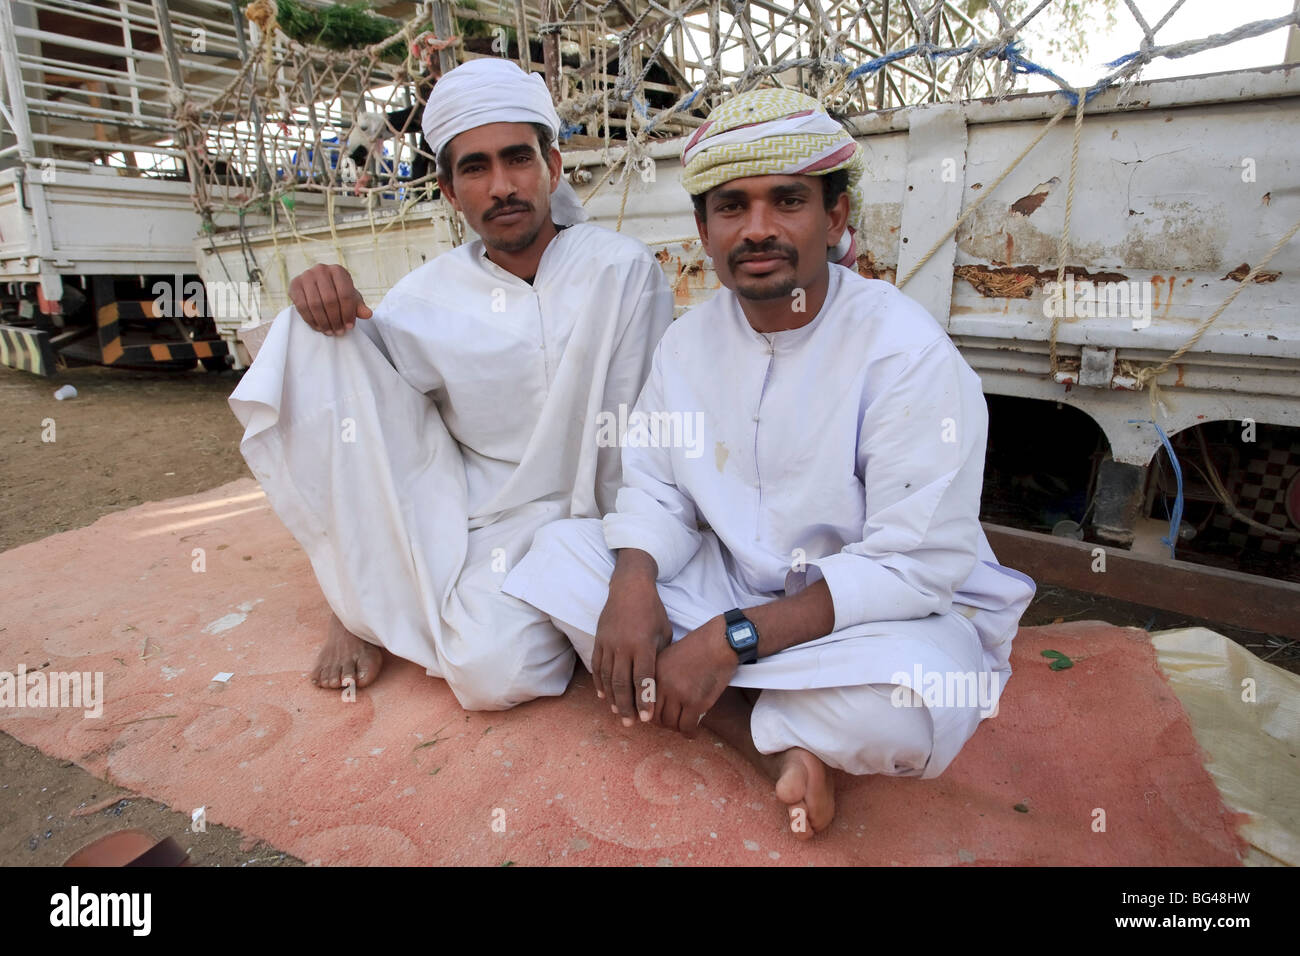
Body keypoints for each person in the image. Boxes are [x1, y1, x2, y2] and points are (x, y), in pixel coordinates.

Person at [501, 89, 1037, 836]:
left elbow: (913, 565)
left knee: (911, 703)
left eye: (787, 201)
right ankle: (780, 737)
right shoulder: (687, 346)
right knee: (560, 555)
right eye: (731, 207)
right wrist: (632, 582)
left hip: (860, 618)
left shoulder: (905, 353)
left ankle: (729, 696)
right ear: (703, 228)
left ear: (835, 217)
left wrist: (730, 640)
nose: (758, 230)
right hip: (721, 583)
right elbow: (655, 486)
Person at [228, 58, 673, 710]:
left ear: (552, 168)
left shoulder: (621, 272)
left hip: (608, 521)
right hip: (492, 521)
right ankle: (357, 601)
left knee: (681, 618)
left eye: (518, 159)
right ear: (447, 190)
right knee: (493, 671)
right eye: (475, 168)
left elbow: (652, 425)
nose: (501, 186)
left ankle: (571, 596)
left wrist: (636, 567)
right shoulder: (421, 300)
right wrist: (314, 302)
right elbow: (362, 403)